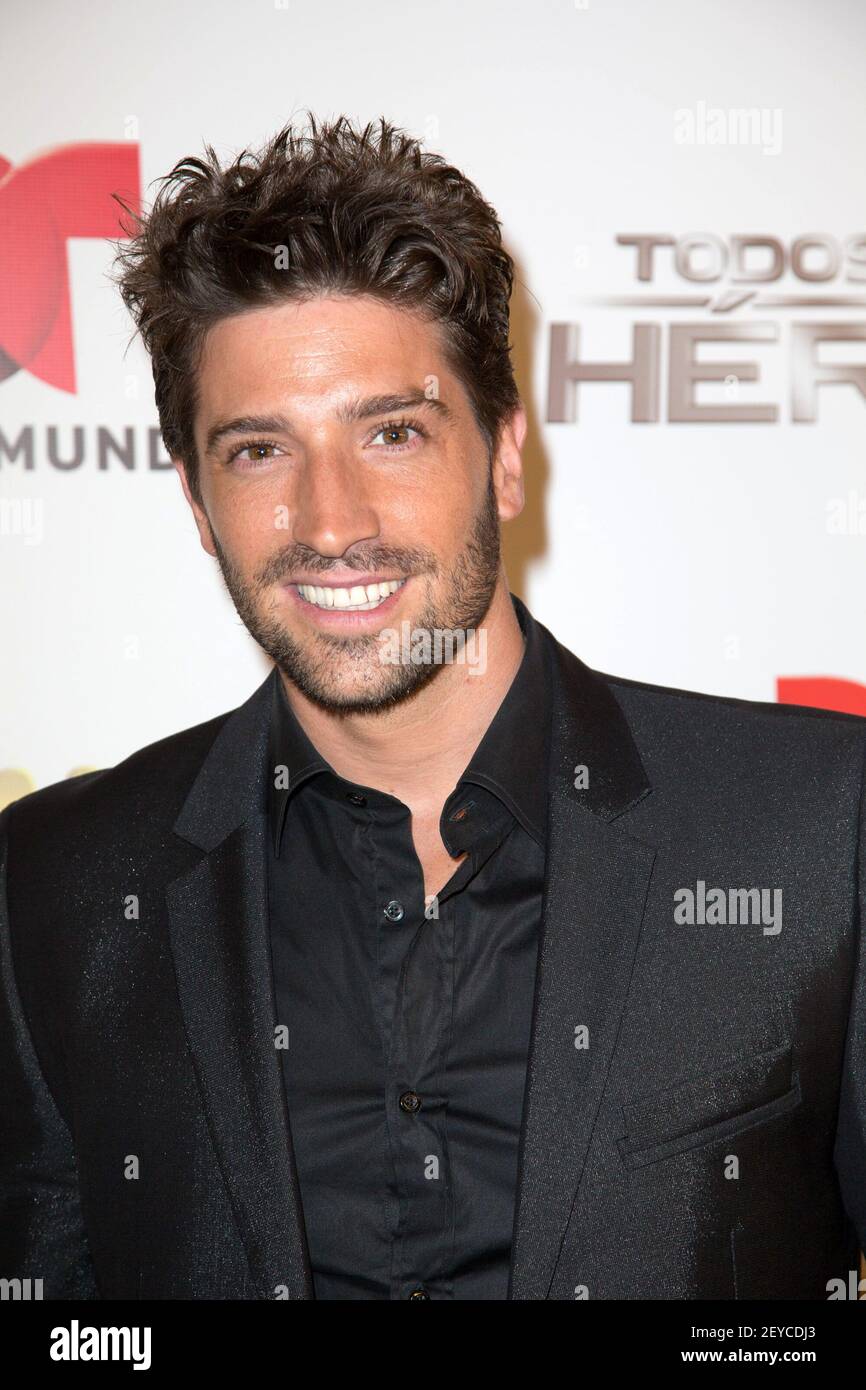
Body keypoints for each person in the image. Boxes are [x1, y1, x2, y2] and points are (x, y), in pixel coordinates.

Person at [1, 113, 864, 1301]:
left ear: (505, 452)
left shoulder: (817, 824)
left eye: (392, 432)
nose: (331, 519)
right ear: (198, 501)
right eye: (258, 451)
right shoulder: (56, 882)